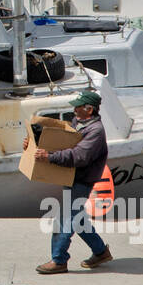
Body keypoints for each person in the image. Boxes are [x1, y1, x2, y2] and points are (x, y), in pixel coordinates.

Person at [25, 90, 112, 274]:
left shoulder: (95, 130)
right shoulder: (79, 123)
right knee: (77, 219)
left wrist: (50, 157)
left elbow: (79, 156)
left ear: (89, 109)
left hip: (82, 180)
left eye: (78, 106)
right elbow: (59, 141)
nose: (74, 109)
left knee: (66, 219)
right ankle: (101, 251)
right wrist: (33, 143)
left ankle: (59, 260)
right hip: (72, 177)